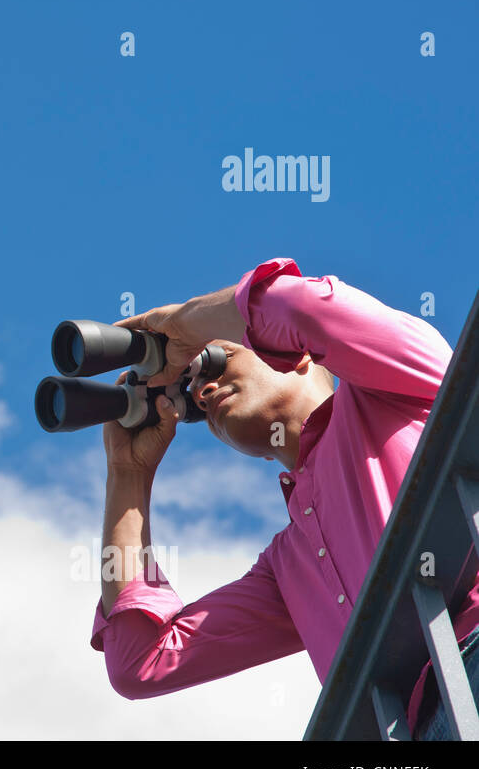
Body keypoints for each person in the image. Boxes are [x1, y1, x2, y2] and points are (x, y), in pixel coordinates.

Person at [90, 257, 479, 739]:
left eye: (217, 362)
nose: (203, 389)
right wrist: (128, 476)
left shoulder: (402, 383)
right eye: (192, 397)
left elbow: (302, 309)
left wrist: (183, 324)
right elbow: (140, 662)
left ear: (295, 355)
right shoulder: (289, 565)